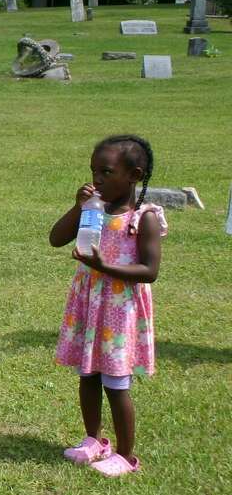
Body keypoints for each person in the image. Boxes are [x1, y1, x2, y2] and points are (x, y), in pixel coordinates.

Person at [49, 135, 165, 476]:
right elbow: (56, 238)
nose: (96, 179)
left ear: (134, 175)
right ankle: (94, 440)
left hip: (119, 312)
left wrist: (104, 268)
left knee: (116, 384)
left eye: (106, 171)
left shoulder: (143, 218)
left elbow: (150, 271)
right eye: (93, 171)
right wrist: (78, 206)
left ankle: (127, 457)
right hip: (89, 305)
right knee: (88, 376)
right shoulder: (93, 210)